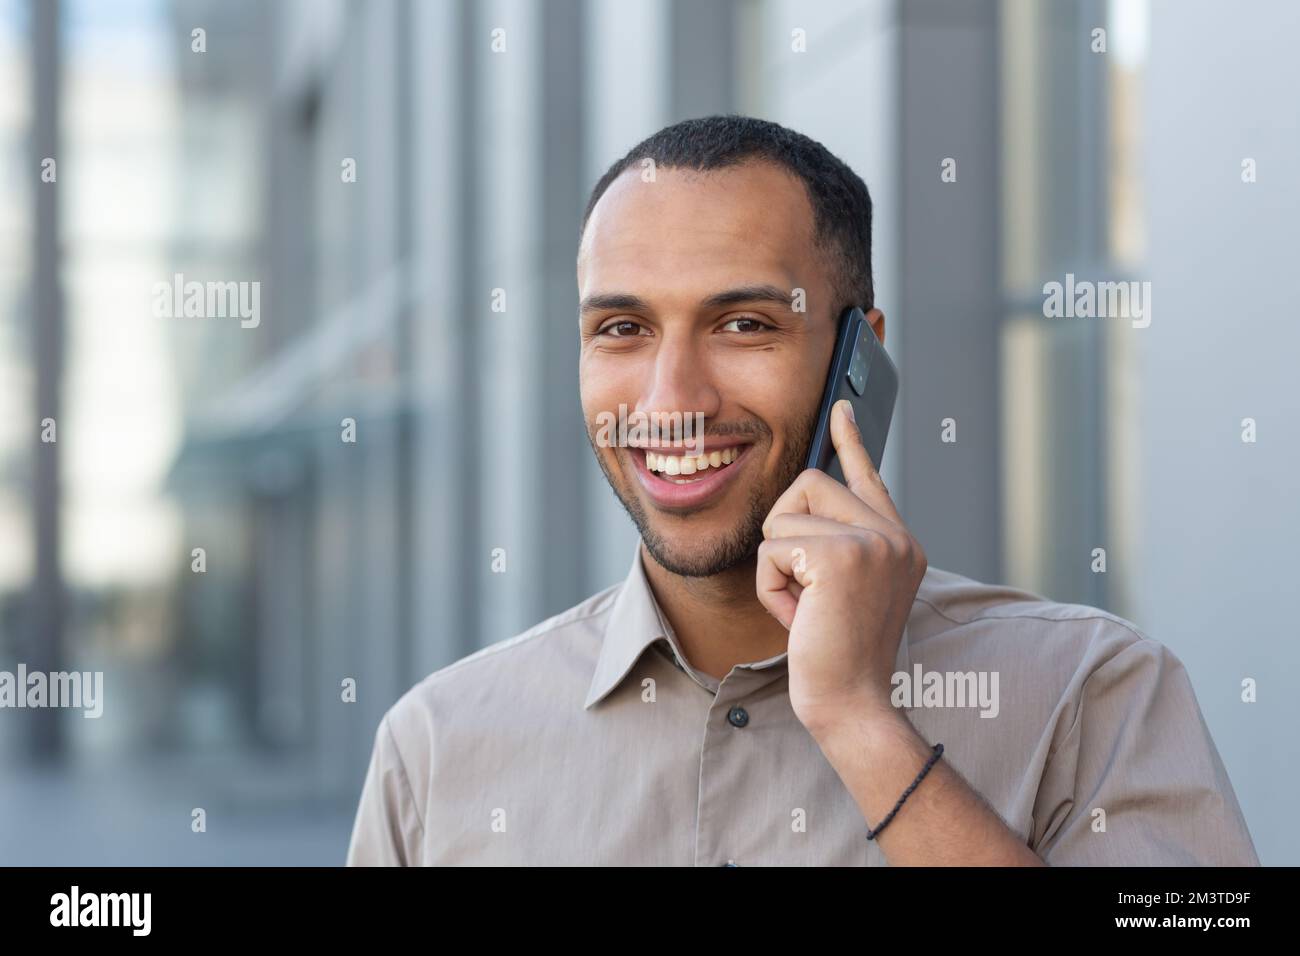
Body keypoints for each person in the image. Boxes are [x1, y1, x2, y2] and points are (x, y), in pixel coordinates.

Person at [347, 116, 1258, 866]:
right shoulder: (436, 749)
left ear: (859, 355)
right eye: (622, 328)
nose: (671, 403)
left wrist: (861, 723)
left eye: (744, 324)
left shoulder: (1094, 696)